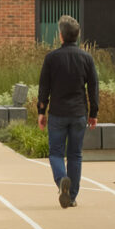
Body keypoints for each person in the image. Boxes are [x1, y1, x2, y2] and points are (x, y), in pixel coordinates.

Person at [36, 15, 99, 208]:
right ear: (77, 36)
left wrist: (41, 111)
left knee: (56, 153)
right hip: (79, 113)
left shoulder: (51, 58)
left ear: (61, 36)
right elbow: (93, 87)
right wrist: (93, 113)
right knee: (75, 155)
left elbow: (44, 87)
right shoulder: (86, 58)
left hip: (57, 114)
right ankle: (71, 196)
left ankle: (61, 179)